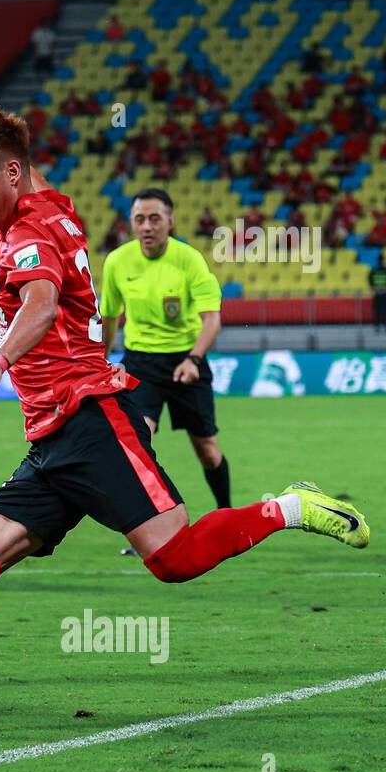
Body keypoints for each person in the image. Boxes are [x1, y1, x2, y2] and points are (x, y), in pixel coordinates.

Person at [0, 105, 369, 728]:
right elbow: (8, 167)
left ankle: (289, 506)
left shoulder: (27, 235)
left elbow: (43, 304)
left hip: (93, 418)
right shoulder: (49, 207)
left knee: (173, 560)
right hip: (50, 438)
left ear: (13, 174)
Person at [101, 188, 230, 526]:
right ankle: (147, 527)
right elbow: (110, 319)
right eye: (139, 219)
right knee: (138, 445)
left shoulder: (189, 260)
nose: (146, 226)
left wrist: (194, 360)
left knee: (207, 451)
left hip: (187, 358)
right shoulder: (117, 261)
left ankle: (226, 514)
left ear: (170, 222)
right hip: (142, 362)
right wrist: (97, 363)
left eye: (155, 219)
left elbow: (212, 321)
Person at [370, 255, 386, 330]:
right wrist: (374, 289)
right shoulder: (374, 270)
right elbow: (370, 281)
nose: (381, 262)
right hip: (377, 293)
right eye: (380, 260)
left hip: (385, 293)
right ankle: (377, 326)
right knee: (377, 310)